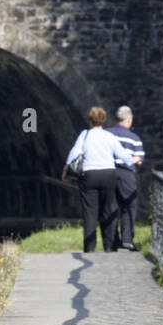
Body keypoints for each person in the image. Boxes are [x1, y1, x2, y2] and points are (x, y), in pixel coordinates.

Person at [62, 106, 134, 253]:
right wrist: (133, 159)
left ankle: (89, 248)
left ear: (90, 121)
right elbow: (124, 156)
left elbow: (75, 152)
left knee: (90, 212)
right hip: (108, 174)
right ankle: (110, 246)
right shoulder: (109, 136)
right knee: (108, 209)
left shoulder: (85, 135)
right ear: (103, 120)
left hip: (89, 175)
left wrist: (65, 169)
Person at [106, 105, 145, 251]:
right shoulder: (134, 138)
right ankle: (127, 239)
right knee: (129, 205)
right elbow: (139, 160)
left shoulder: (107, 133)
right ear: (129, 120)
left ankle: (112, 240)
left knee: (111, 206)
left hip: (109, 172)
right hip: (126, 174)